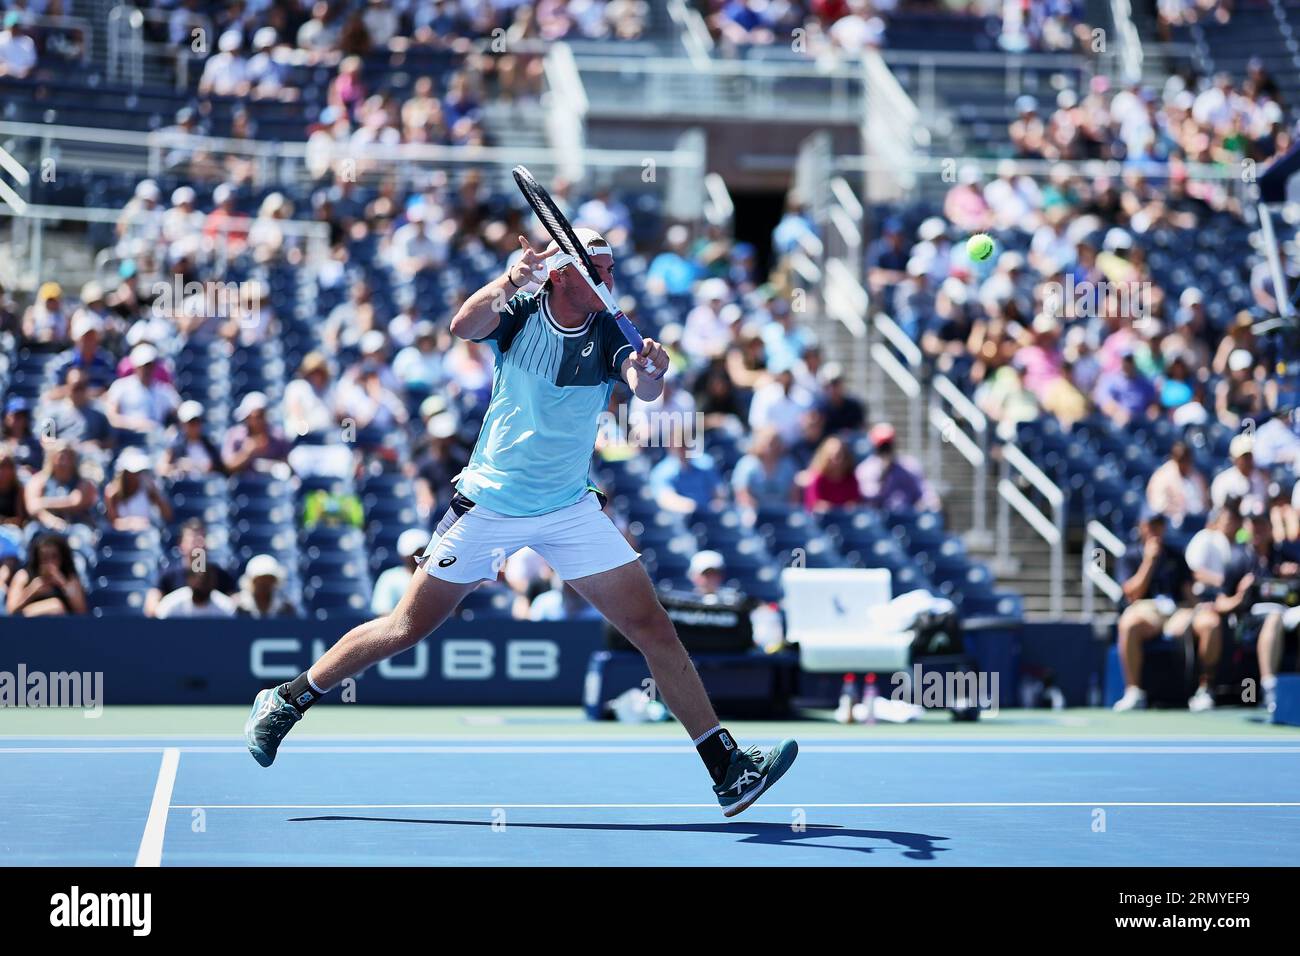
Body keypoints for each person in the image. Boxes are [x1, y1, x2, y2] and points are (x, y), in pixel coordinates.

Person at [244, 228, 798, 816]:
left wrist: (653, 371)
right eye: (598, 270)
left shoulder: (612, 328)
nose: (609, 280)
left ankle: (727, 768)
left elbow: (644, 389)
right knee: (408, 626)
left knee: (654, 628)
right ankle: (286, 699)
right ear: (561, 274)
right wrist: (512, 278)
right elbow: (463, 326)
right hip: (490, 502)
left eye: (612, 269)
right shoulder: (522, 311)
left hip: (568, 507)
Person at [1112, 509, 1216, 712]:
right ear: (1141, 527)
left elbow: (1188, 592)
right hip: (1145, 610)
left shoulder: (1176, 554)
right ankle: (1133, 692)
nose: (1155, 530)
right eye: (1151, 524)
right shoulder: (1130, 554)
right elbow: (1132, 594)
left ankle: (1205, 690)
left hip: (1176, 611)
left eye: (1159, 525)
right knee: (1128, 623)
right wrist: (1149, 561)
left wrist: (1201, 607)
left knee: (1210, 623)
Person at [1219, 508, 1300, 715]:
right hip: (1251, 621)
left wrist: (1293, 578)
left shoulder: (1285, 556)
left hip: (1288, 614)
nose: (1257, 530)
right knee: (1274, 618)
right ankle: (1269, 688)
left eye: (1261, 525)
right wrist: (1240, 594)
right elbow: (1220, 603)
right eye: (1253, 525)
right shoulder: (1238, 559)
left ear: (1270, 528)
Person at [856, 423, 940, 512]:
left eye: (888, 445)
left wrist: (932, 501)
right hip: (880, 517)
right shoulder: (864, 469)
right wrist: (883, 477)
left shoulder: (909, 465)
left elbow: (924, 490)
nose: (885, 449)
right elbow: (867, 498)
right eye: (882, 446)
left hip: (908, 515)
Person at [5, 533, 88, 617]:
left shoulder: (70, 578)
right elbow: (10, 610)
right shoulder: (23, 576)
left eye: (54, 557)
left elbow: (81, 612)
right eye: (44, 557)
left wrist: (63, 584)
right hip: (26, 627)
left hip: (62, 628)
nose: (49, 562)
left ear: (62, 558)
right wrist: (32, 590)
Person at [105, 447, 173, 531]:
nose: (137, 475)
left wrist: (155, 492)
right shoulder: (112, 492)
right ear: (124, 472)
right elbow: (112, 523)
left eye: (139, 471)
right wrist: (131, 523)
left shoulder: (148, 488)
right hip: (123, 538)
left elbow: (167, 515)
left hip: (145, 537)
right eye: (133, 472)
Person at [370, 528, 430, 615]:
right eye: (414, 554)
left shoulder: (438, 577)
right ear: (403, 556)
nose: (417, 557)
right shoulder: (389, 577)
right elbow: (382, 613)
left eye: (421, 552)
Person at [155, 566, 238, 618]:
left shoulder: (225, 607)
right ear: (188, 580)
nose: (201, 583)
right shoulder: (172, 603)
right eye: (197, 579)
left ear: (213, 582)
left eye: (206, 579)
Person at [234, 555, 299, 618]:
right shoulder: (239, 607)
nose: (264, 584)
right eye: (260, 580)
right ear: (251, 582)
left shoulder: (287, 609)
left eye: (269, 579)